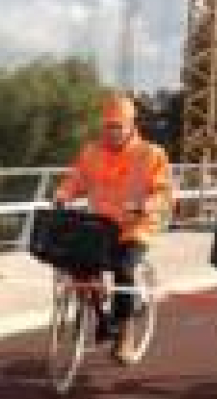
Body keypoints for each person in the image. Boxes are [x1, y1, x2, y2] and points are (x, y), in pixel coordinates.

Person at [54, 93, 172, 363]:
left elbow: (164, 193)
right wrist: (62, 194)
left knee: (123, 269)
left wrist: (146, 205)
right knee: (78, 264)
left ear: (132, 125)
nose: (113, 132)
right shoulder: (91, 152)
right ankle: (101, 314)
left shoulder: (151, 154)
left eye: (118, 126)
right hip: (101, 225)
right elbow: (76, 179)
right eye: (108, 126)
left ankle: (126, 335)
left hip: (136, 226)